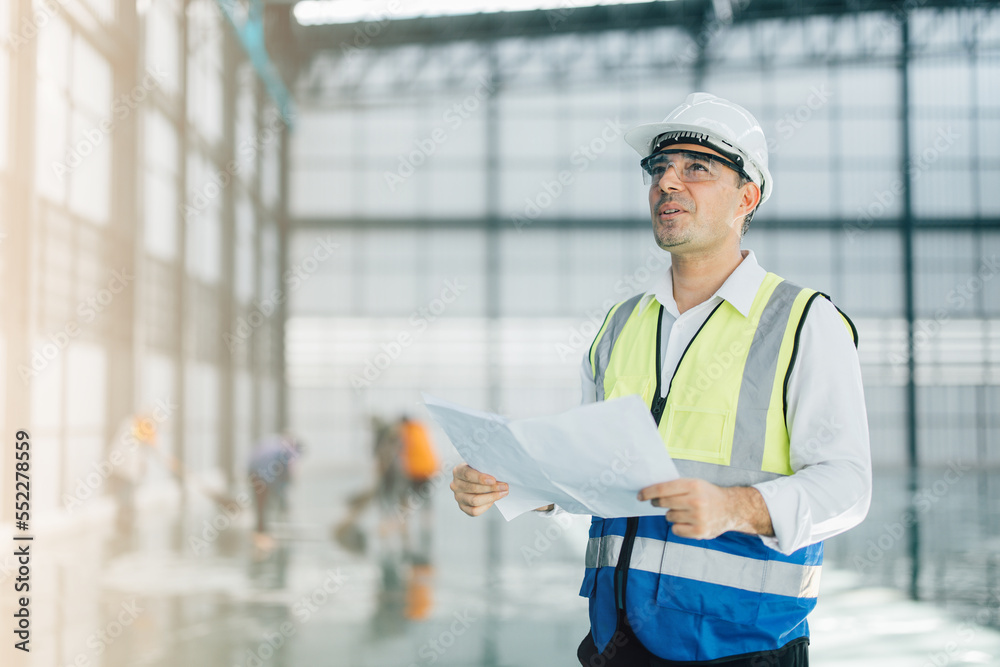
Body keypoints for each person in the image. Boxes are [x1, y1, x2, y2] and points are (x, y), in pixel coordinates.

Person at [450, 92, 872, 666]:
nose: (667, 183)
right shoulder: (622, 323)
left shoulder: (804, 323)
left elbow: (847, 487)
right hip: (612, 641)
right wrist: (513, 483)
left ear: (747, 197)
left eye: (695, 168)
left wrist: (735, 507)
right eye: (658, 168)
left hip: (738, 648)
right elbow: (592, 474)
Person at [248, 432, 303, 550]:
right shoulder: (285, 451)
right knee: (263, 505)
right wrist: (282, 496)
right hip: (262, 473)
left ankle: (262, 529)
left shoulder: (272, 443)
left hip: (253, 471)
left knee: (260, 506)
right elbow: (285, 474)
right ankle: (262, 531)